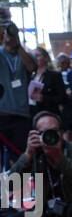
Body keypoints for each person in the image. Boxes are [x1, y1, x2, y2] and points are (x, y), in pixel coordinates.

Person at [0, 22, 37, 172]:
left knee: (23, 154)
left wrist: (18, 45)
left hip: (20, 114)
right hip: (1, 112)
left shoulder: (24, 55)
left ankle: (21, 191)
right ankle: (4, 191)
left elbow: (31, 67)